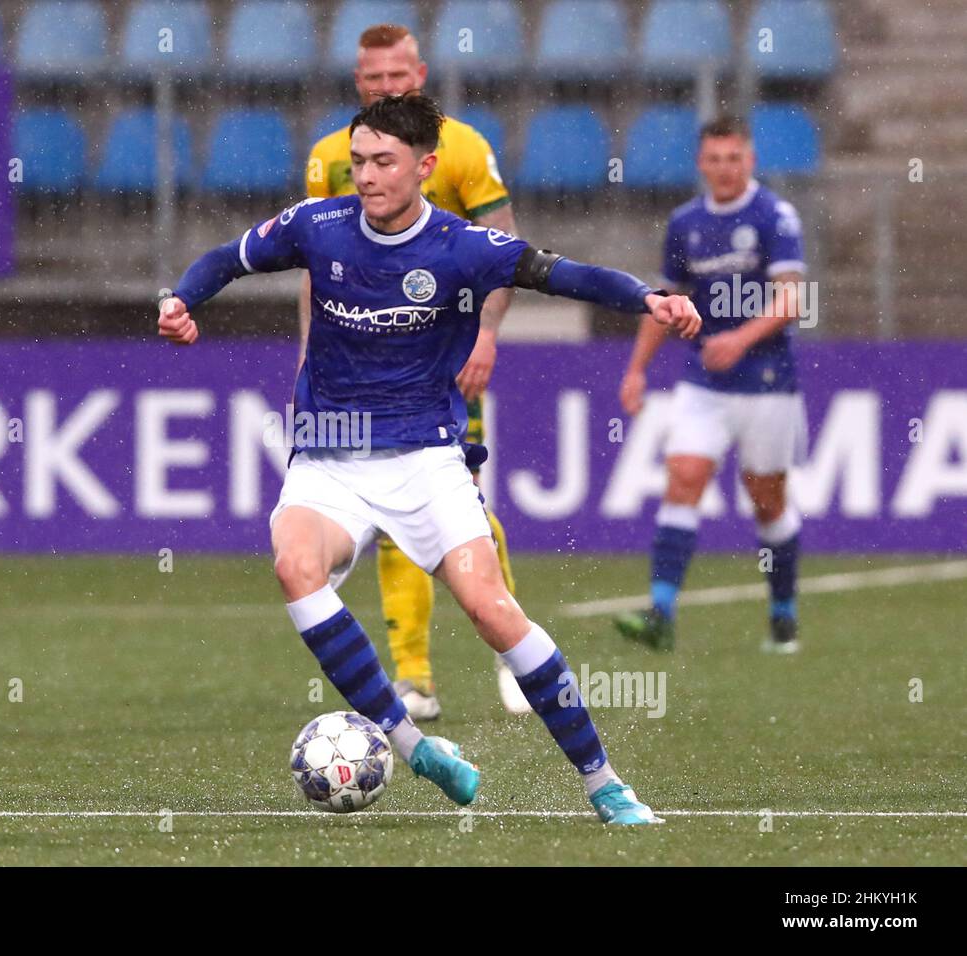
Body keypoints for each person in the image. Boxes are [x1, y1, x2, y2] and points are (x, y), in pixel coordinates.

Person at [159, 95, 700, 823]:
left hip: (426, 459)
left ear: (425, 166)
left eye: (384, 162)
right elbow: (229, 258)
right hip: (330, 458)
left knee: (491, 610)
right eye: (357, 162)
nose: (367, 176)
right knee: (295, 565)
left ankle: (605, 783)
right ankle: (415, 748)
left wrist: (649, 297)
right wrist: (181, 298)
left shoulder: (463, 246)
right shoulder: (316, 227)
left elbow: (564, 274)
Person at [302, 23, 527, 718]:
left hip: (443, 362)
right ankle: (415, 677)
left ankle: (512, 653)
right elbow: (312, 262)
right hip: (361, 370)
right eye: (373, 79)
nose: (386, 88)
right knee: (383, 513)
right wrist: (310, 353)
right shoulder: (329, 158)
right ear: (358, 81)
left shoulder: (461, 147)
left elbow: (507, 246)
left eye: (397, 76)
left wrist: (487, 333)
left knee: (464, 505)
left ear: (419, 74)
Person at [613, 115, 808, 654]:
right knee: (683, 477)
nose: (725, 168)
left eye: (735, 158)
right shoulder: (685, 222)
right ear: (701, 163)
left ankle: (783, 611)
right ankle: (661, 611)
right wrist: (636, 369)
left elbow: (794, 298)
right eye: (715, 159)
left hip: (769, 382)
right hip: (703, 381)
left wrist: (741, 339)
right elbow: (664, 304)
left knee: (766, 502)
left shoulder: (774, 215)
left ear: (751, 160)